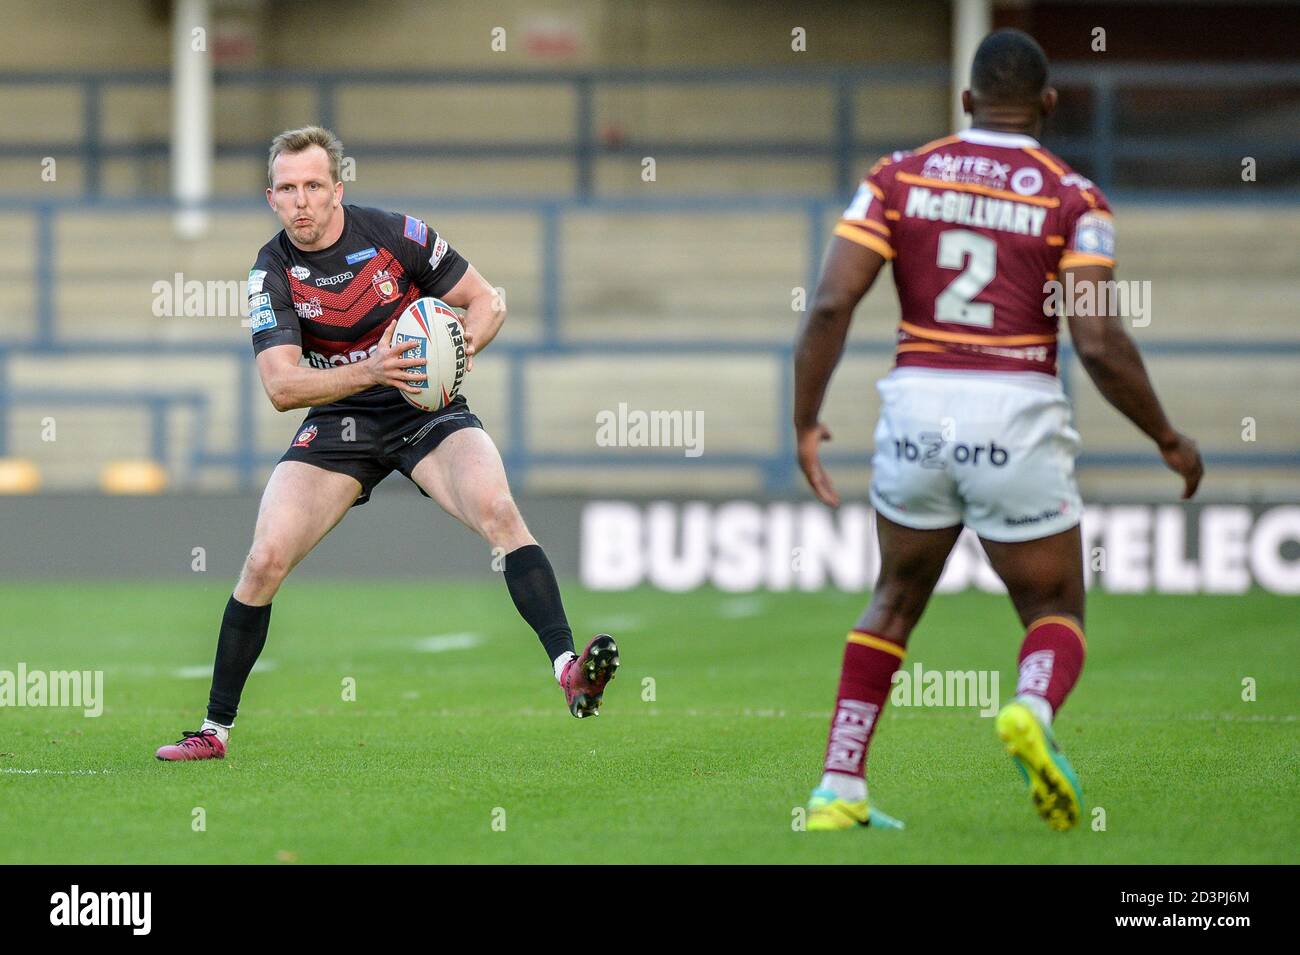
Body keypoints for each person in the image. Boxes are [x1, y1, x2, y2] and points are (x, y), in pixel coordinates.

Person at [792, 30, 1203, 830]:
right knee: (1054, 606)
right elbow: (1098, 342)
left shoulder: (895, 177)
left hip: (915, 406)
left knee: (894, 598)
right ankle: (1031, 709)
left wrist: (807, 420)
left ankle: (839, 788)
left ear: (966, 101)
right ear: (1048, 105)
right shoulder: (1072, 197)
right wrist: (1166, 436)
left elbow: (832, 305)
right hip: (1013, 410)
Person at [156, 126, 618, 761]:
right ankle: (214, 731)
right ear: (270, 197)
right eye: (287, 189)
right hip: (341, 420)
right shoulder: (270, 274)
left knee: (500, 513)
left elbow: (487, 302)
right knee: (264, 561)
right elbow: (282, 386)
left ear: (338, 189)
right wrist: (373, 369)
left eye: (314, 186)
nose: (302, 202)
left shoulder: (397, 235)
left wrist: (457, 351)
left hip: (424, 412)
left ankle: (567, 669)